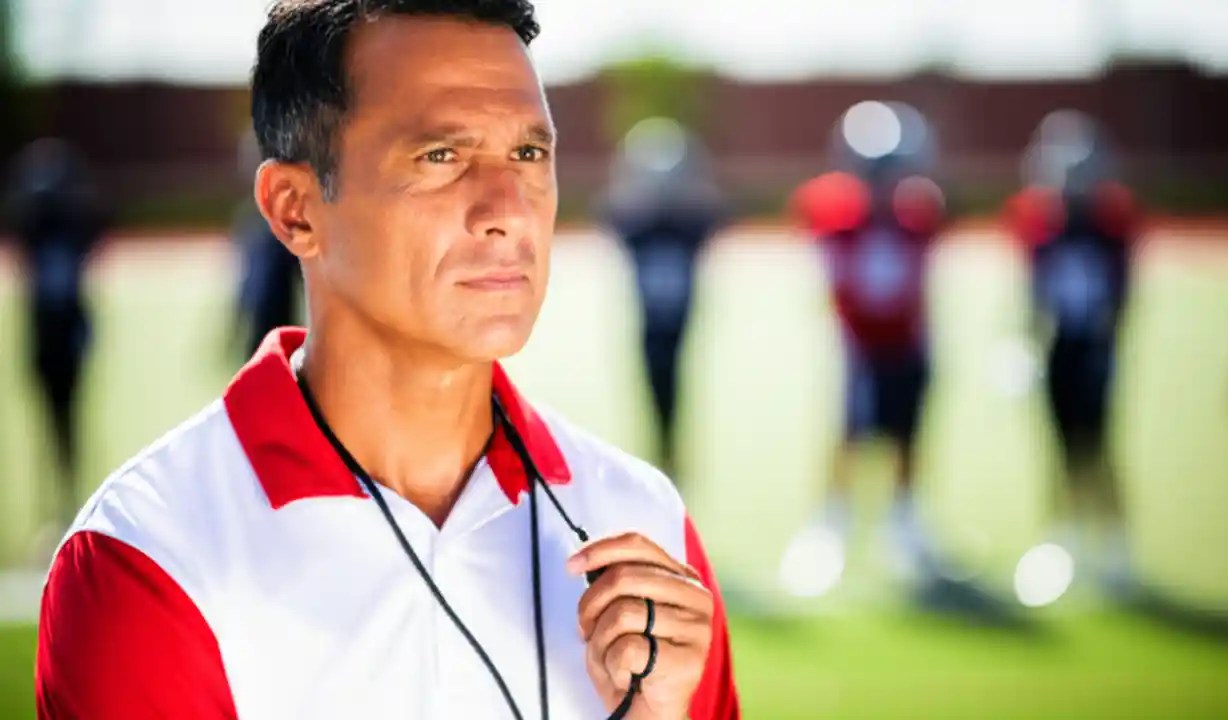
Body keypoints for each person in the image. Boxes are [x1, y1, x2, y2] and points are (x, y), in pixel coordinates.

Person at [35, 3, 738, 718]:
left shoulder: (646, 526)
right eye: (441, 156)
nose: (509, 208)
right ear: (294, 209)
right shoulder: (149, 556)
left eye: (530, 154)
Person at [781, 101, 946, 598]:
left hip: (909, 343)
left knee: (907, 436)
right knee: (849, 435)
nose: (881, 181)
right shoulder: (836, 216)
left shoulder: (919, 216)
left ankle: (905, 523)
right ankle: (832, 524)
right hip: (858, 345)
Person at [1004, 110, 1138, 588]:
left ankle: (1118, 546)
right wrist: (1022, 344)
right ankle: (1063, 541)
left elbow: (1122, 294)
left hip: (1094, 344)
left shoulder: (1111, 224)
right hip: (1057, 346)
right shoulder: (1041, 223)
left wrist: (1111, 347)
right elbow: (1033, 293)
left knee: (1096, 448)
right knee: (1059, 450)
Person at [602, 117, 724, 475]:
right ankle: (659, 449)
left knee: (678, 382)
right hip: (649, 318)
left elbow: (711, 217)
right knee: (650, 381)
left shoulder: (689, 224)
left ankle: (673, 452)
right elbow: (615, 217)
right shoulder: (638, 225)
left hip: (681, 316)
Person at [5, 138, 105, 530]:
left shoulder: (71, 231)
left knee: (69, 426)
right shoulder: (39, 234)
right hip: (48, 343)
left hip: (65, 343)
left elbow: (95, 223)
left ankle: (70, 499)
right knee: (52, 427)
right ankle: (58, 501)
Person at [231, 128, 303, 360]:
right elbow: (247, 279)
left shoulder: (286, 225)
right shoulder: (249, 222)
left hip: (279, 327)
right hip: (261, 329)